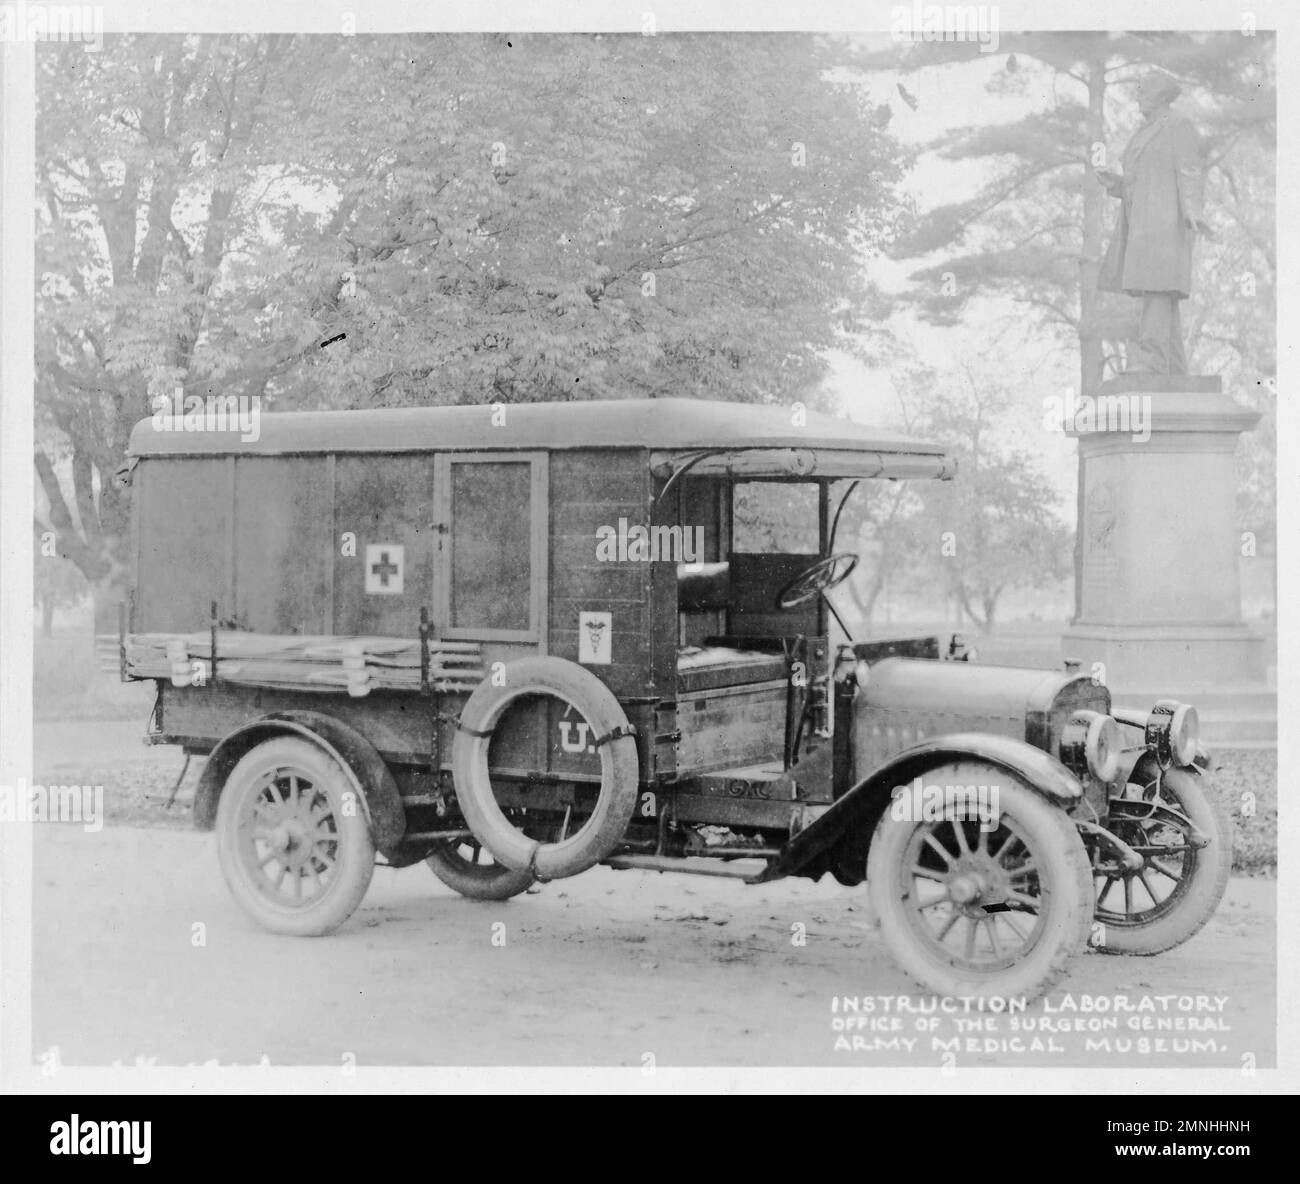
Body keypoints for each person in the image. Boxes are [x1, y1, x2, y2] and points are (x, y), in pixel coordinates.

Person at [1096, 74, 1209, 376]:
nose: (1137, 96)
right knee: (1160, 293)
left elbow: (1189, 169)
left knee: (1159, 288)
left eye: (1142, 91)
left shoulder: (1177, 126)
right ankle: (1174, 367)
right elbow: (1142, 179)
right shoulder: (1144, 132)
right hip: (1143, 224)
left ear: (1160, 95)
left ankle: (1153, 360)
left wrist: (1194, 211)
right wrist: (1118, 184)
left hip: (1166, 224)